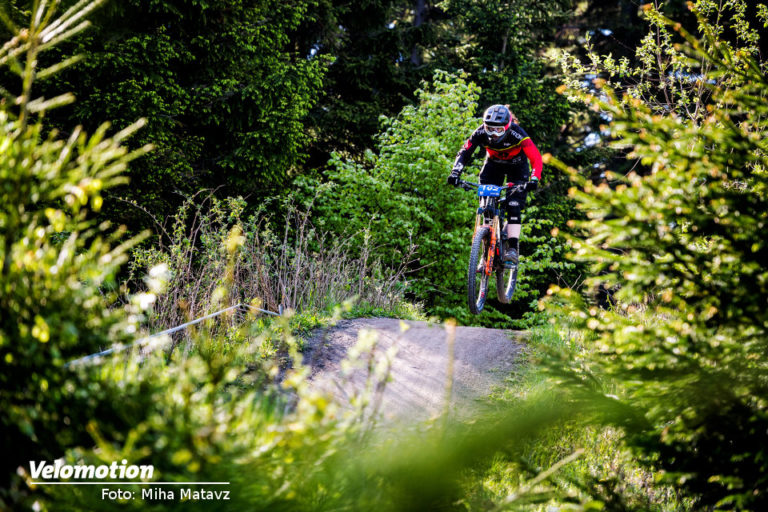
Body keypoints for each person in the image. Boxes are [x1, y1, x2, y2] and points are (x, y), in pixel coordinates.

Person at [447, 104, 543, 264]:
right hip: (493, 165)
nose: (493, 133)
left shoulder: (518, 134)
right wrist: (455, 172)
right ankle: (486, 251)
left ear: (507, 127)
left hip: (517, 168)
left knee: (513, 204)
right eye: (489, 128)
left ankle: (512, 248)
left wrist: (534, 179)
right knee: (486, 209)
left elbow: (536, 158)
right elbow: (464, 152)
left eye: (498, 130)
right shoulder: (479, 133)